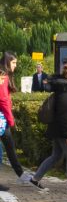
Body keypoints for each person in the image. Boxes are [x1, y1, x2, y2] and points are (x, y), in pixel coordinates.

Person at [28, 62, 67, 197]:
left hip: (57, 128)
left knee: (56, 155)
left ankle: (35, 179)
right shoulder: (66, 90)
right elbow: (63, 114)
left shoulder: (62, 87)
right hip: (63, 130)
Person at [0, 52, 28, 187]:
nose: (15, 66)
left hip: (2, 118)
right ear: (7, 63)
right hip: (1, 119)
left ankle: (21, 174)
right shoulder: (3, 76)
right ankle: (21, 175)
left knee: (9, 147)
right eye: (14, 63)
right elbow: (3, 100)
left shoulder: (3, 76)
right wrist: (10, 119)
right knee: (7, 148)